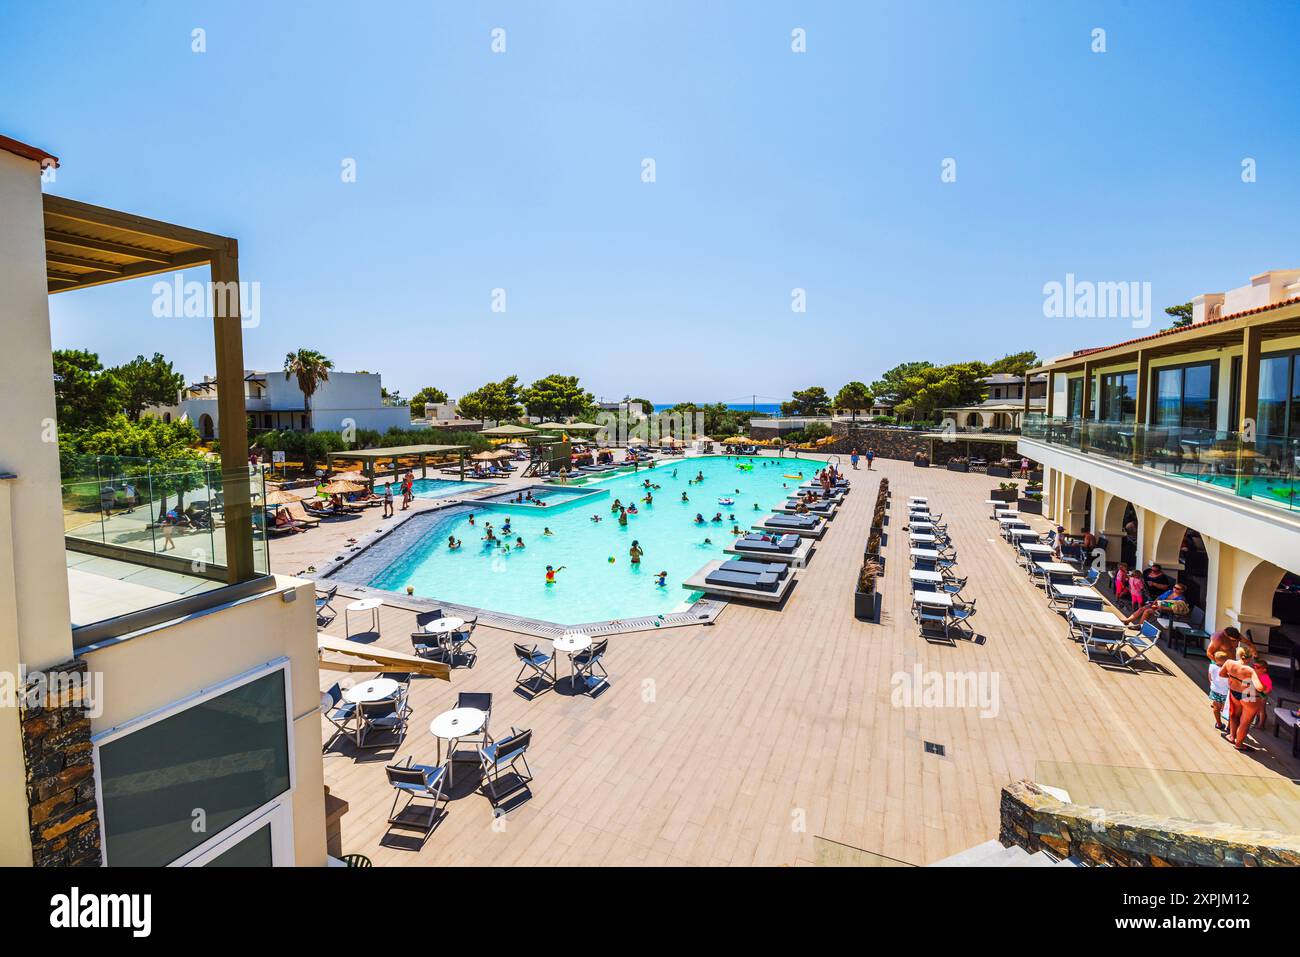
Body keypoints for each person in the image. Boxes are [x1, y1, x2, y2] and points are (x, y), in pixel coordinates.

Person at [1220, 647, 1266, 752]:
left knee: (1234, 715)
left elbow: (1221, 674)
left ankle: (1232, 736)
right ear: (1250, 658)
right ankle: (1239, 744)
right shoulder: (1250, 670)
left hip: (1234, 691)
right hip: (1248, 695)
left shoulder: (1229, 662)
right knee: (1245, 722)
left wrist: (1234, 678)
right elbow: (1260, 688)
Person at [1208, 650, 1230, 731]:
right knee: (1227, 709)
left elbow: (1210, 678)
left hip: (1215, 690)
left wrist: (1212, 684)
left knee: (1216, 707)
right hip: (1225, 692)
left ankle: (1219, 723)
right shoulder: (1227, 670)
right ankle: (1229, 727)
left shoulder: (1212, 666)